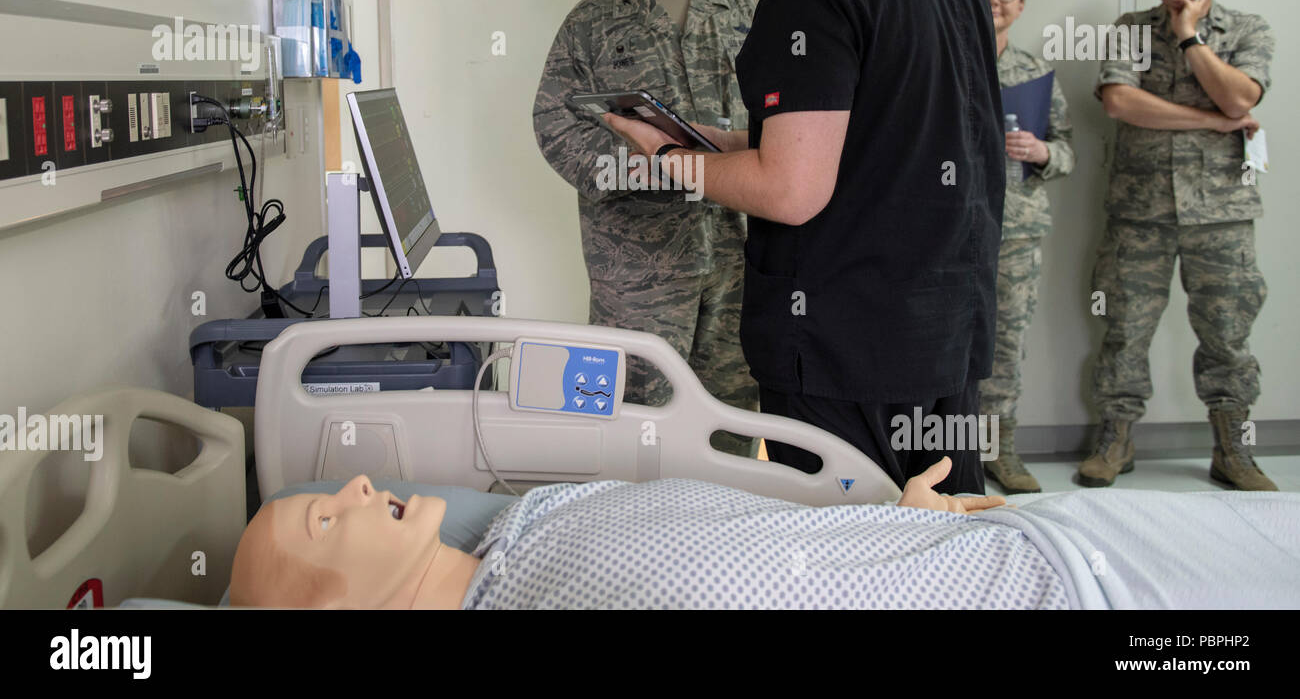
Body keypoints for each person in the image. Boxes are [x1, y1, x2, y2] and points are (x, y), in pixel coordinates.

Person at [604, 0, 1004, 494]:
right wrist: (720, 142)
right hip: (945, 341)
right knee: (942, 545)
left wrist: (670, 160)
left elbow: (789, 191)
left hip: (844, 358)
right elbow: (880, 141)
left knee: (843, 566)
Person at [230, 472, 1300, 609]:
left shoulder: (528, 521)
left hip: (1045, 533)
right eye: (326, 516)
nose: (360, 484)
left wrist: (890, 519)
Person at [532, 0, 759, 456]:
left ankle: (727, 532)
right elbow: (554, 123)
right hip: (636, 267)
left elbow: (778, 121)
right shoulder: (591, 22)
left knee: (732, 408)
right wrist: (633, 167)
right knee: (633, 416)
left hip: (733, 252)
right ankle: (628, 538)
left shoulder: (739, 10)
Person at [1084, 0, 1274, 490]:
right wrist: (1213, 121)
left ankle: (1233, 450)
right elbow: (1121, 101)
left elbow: (1241, 98)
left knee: (1228, 336)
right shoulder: (1132, 30)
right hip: (1139, 213)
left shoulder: (1248, 29)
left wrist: (1190, 39)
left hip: (1222, 213)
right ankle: (1115, 441)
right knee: (1124, 330)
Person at [974, 0, 1075, 494]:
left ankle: (1001, 450)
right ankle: (947, 449)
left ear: (1022, 3)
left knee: (1006, 345)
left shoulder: (1036, 73)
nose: (995, 2)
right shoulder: (943, 62)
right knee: (947, 344)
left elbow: (1068, 153)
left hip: (1015, 233)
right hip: (950, 233)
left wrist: (1041, 151)